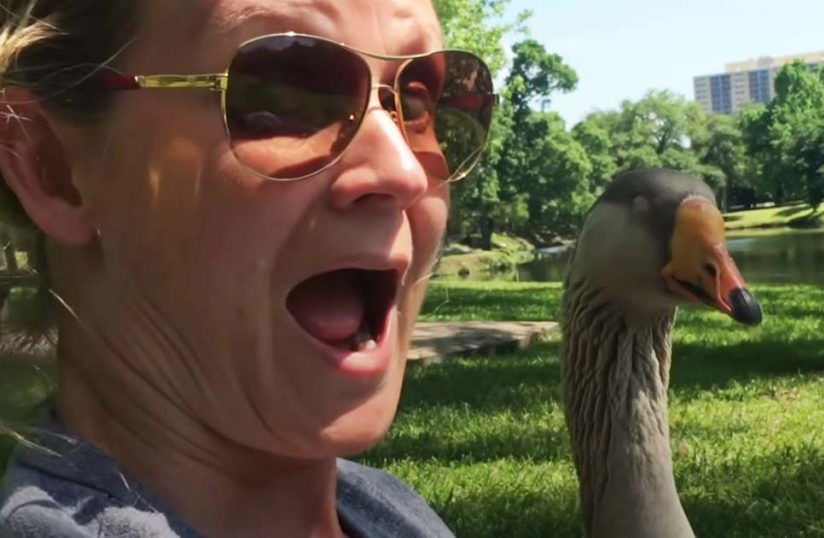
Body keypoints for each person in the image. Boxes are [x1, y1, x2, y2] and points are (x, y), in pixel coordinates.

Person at [0, 0, 495, 536]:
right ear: (52, 168)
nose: (403, 171)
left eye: (417, 103)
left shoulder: (386, 509)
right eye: (282, 95)